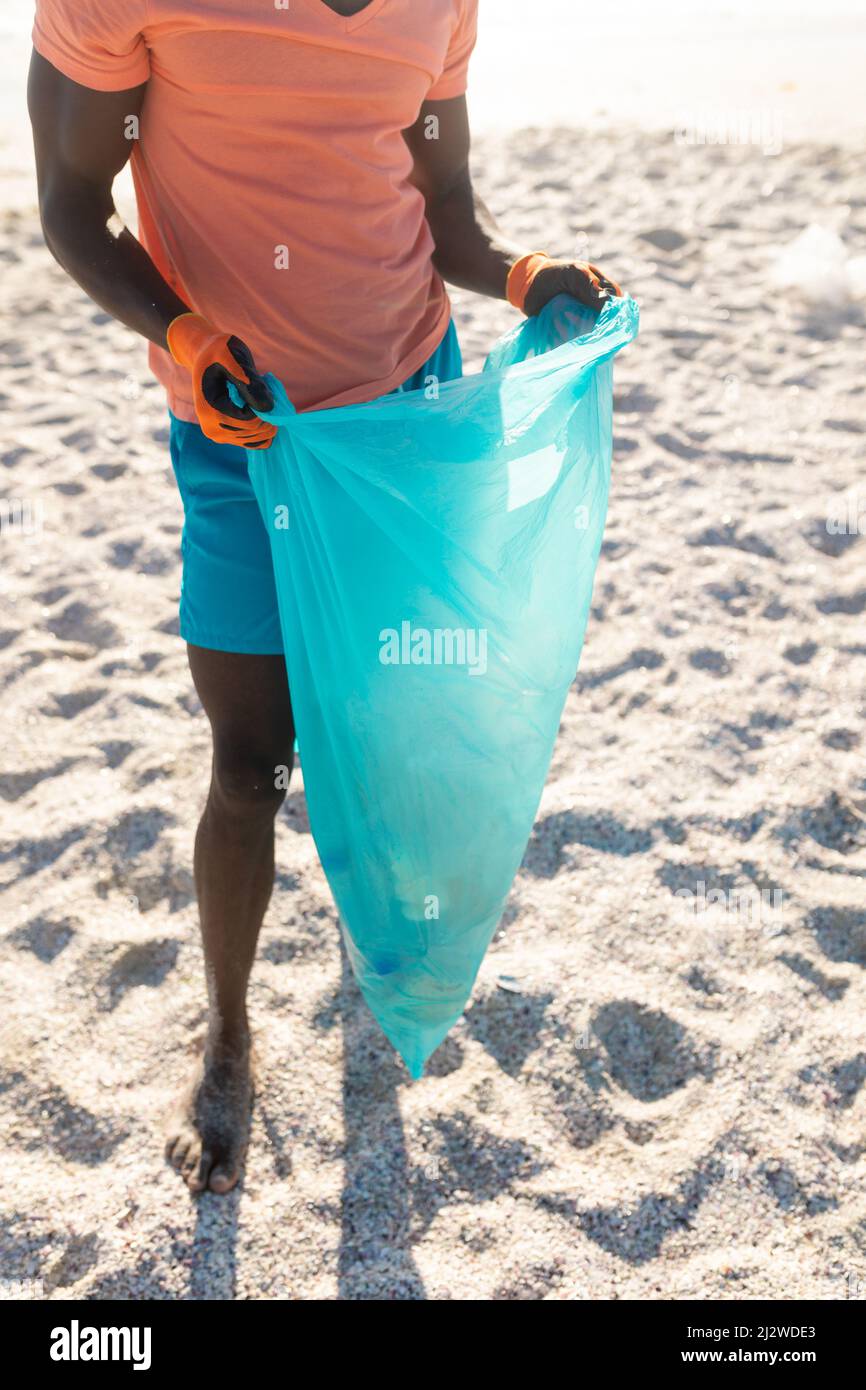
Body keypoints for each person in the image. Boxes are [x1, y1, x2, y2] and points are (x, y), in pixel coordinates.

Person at [28, 0, 622, 1195]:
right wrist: (184, 331)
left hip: (410, 416)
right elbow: (69, 201)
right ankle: (229, 1034)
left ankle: (380, 950)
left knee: (398, 711)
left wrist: (515, 269)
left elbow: (443, 214)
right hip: (243, 432)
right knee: (253, 764)